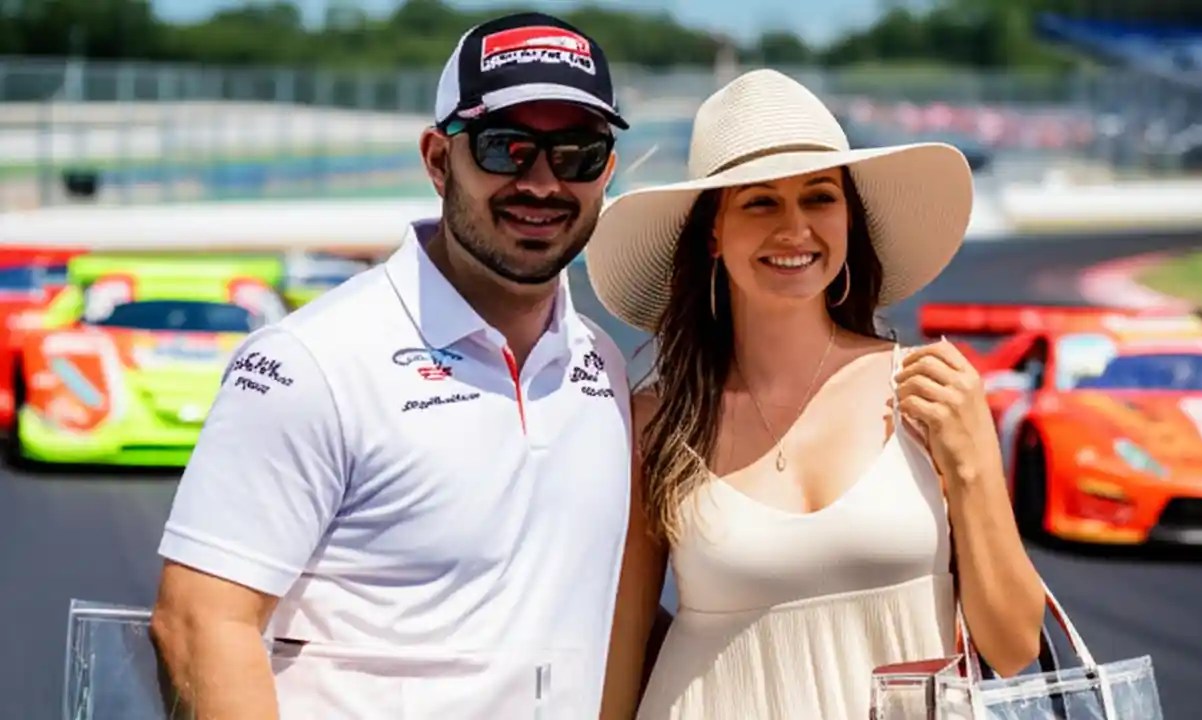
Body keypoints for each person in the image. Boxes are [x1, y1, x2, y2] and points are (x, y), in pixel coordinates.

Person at [149, 12, 633, 719]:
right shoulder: (311, 363)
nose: (541, 183)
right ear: (438, 159)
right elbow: (199, 622)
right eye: (505, 148)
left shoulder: (604, 365)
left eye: (577, 155)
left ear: (606, 172)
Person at [587, 69, 1047, 720]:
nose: (795, 228)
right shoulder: (661, 423)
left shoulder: (931, 391)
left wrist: (971, 463)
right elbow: (622, 651)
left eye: (819, 197)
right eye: (760, 202)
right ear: (714, 232)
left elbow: (1015, 644)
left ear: (849, 220)